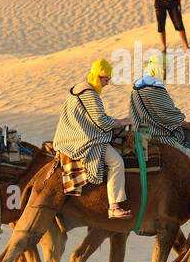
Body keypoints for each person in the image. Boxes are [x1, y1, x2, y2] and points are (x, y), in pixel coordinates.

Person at [53, 58, 135, 219]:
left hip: (66, 138)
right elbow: (102, 121)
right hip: (83, 139)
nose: (107, 83)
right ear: (98, 77)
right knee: (117, 162)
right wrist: (124, 121)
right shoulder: (89, 94)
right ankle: (114, 206)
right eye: (106, 79)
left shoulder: (77, 88)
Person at [130, 51, 190, 168]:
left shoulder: (138, 84)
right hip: (156, 136)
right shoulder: (154, 87)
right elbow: (168, 115)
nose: (167, 73)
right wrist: (188, 125)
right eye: (165, 70)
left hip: (139, 132)